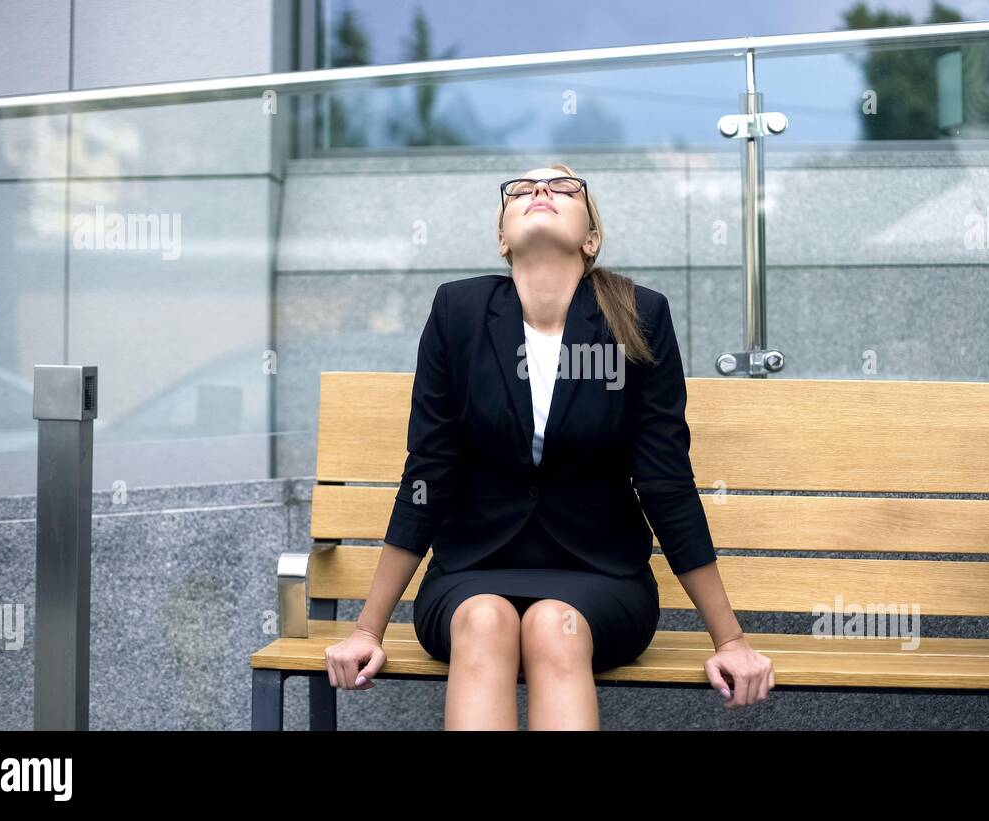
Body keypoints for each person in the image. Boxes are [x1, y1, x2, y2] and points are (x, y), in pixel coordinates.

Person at [325, 163, 774, 729]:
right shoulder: (457, 313)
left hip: (601, 576)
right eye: (520, 188)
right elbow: (429, 473)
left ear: (591, 239)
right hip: (472, 571)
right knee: (484, 621)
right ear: (502, 239)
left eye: (564, 187)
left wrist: (729, 638)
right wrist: (368, 629)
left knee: (551, 624)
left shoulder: (638, 316)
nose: (540, 191)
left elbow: (664, 481)